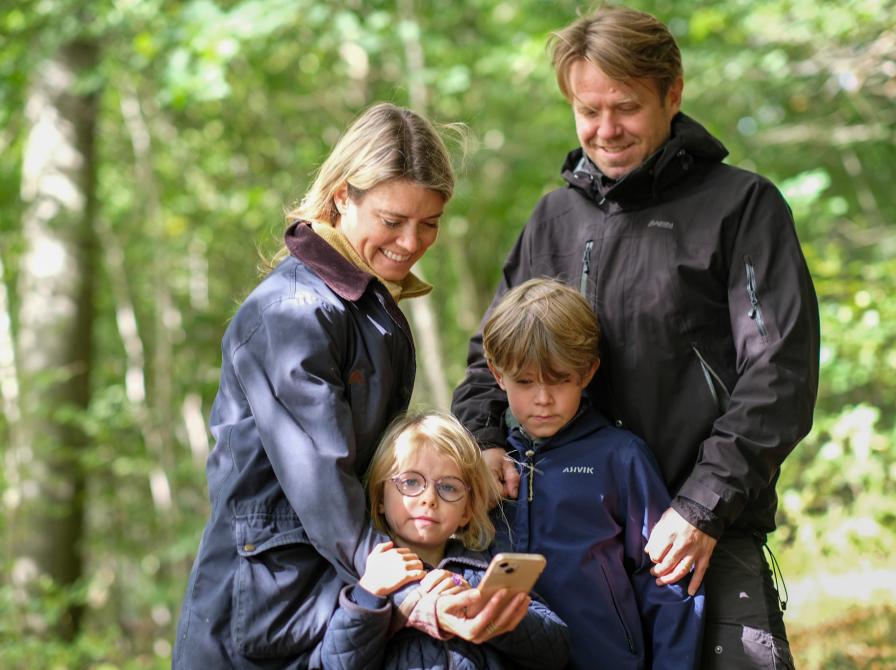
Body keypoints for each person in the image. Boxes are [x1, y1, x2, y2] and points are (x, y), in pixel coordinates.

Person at [452, 6, 820, 669]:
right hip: (564, 545)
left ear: (672, 92)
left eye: (625, 107)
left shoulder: (742, 208)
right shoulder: (553, 219)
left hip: (702, 536)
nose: (605, 129)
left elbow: (780, 375)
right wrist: (480, 441)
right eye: (587, 111)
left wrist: (702, 506)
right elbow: (491, 356)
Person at [173, 102, 522, 669]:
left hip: (338, 599)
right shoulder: (292, 315)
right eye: (392, 220)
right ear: (341, 197)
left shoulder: (367, 306)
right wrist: (412, 593)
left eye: (429, 223)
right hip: (264, 616)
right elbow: (322, 484)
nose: (411, 242)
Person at [480, 278, 703, 669]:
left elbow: (666, 576)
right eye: (525, 382)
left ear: (587, 372)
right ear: (498, 376)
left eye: (560, 379)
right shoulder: (486, 468)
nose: (543, 399)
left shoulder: (621, 456)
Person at [320, 411, 570, 670]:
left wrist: (486, 613)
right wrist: (369, 594)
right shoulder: (375, 573)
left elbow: (556, 646)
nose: (429, 498)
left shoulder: (481, 570)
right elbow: (339, 662)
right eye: (410, 482)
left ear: (466, 511)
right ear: (380, 497)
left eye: (448, 487)